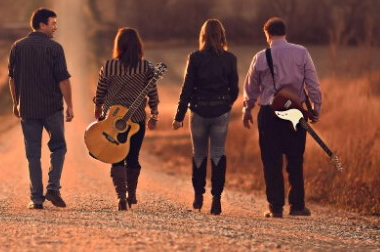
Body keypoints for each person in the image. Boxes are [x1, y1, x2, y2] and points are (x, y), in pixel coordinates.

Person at [241, 17, 323, 218]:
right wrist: (315, 108)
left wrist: (247, 109)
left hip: (269, 112)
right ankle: (297, 206)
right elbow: (312, 83)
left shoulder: (260, 57)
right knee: (295, 158)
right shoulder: (302, 52)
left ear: (267, 34)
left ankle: (275, 207)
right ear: (285, 33)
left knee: (271, 159)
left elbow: (251, 87)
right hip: (295, 111)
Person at [8, 7, 74, 209]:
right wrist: (70, 105)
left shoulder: (18, 47)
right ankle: (53, 187)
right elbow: (63, 80)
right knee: (59, 147)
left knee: (33, 155)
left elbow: (12, 78)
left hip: (28, 108)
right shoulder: (55, 49)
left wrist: (15, 101)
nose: (55, 27)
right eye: (53, 23)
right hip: (52, 108)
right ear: (42, 24)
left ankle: (36, 199)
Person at [173, 19, 239, 215]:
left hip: (199, 111)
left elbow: (186, 88)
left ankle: (198, 195)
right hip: (220, 111)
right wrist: (226, 104)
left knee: (199, 154)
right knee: (218, 153)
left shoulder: (195, 58)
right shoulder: (230, 58)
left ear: (202, 36)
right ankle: (216, 199)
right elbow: (234, 89)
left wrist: (179, 115)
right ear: (222, 36)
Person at [94, 27, 159, 211]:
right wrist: (154, 114)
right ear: (138, 45)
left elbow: (101, 91)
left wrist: (98, 107)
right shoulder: (146, 67)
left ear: (118, 45)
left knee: (116, 157)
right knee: (133, 157)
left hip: (112, 118)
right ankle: (132, 195)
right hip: (136, 119)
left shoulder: (108, 66)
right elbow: (152, 93)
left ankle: (121, 197)